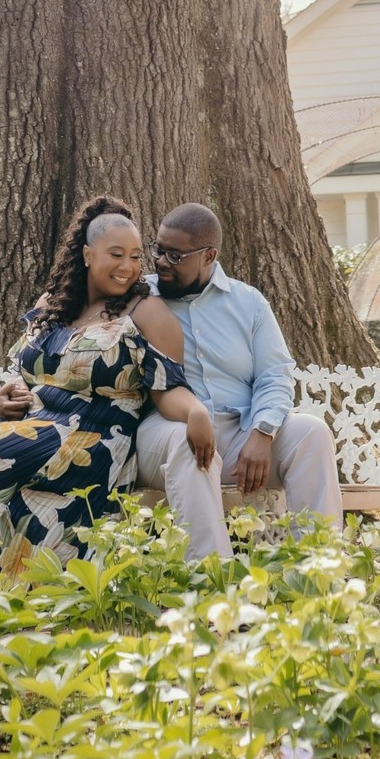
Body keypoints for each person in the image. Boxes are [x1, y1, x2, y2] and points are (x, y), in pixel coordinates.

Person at [0, 195, 215, 573]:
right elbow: (29, 376)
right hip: (32, 426)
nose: (129, 267)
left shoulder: (146, 311)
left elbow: (167, 388)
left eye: (137, 256)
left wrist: (196, 411)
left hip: (90, 440)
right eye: (116, 254)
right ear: (88, 254)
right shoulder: (53, 306)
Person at [134, 202, 342, 560]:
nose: (161, 262)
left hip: (241, 433)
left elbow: (274, 375)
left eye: (175, 255)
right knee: (189, 445)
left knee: (312, 432)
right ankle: (210, 577)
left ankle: (319, 569)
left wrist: (263, 432)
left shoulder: (248, 303)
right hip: (168, 431)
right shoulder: (139, 297)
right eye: (158, 249)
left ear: (209, 255)